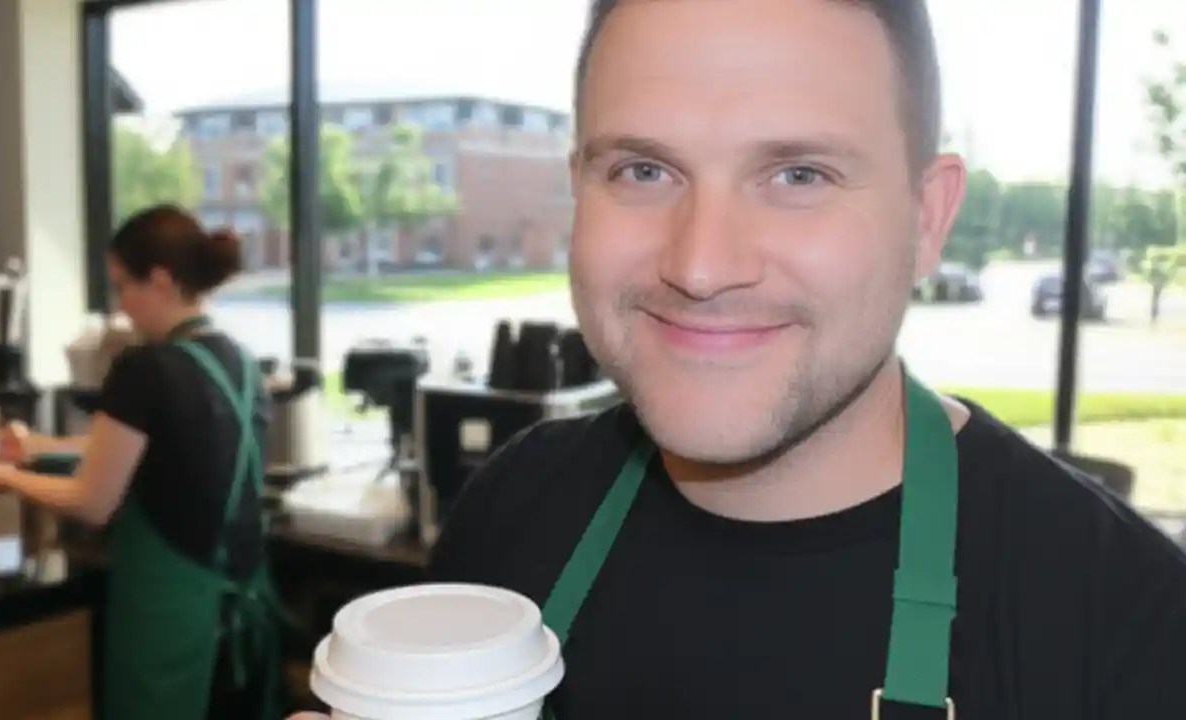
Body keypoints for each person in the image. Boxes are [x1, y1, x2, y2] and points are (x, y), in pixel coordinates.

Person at [412, 1, 1186, 719]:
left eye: (798, 175)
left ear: (927, 218)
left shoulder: (1132, 630)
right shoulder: (510, 509)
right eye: (642, 170)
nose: (701, 266)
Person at [0, 205, 283, 720]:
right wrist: (36, 448)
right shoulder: (238, 360)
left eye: (124, 286)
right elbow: (159, 450)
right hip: (236, 604)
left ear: (160, 280)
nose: (121, 307)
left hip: (167, 607)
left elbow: (93, 501)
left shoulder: (147, 367)